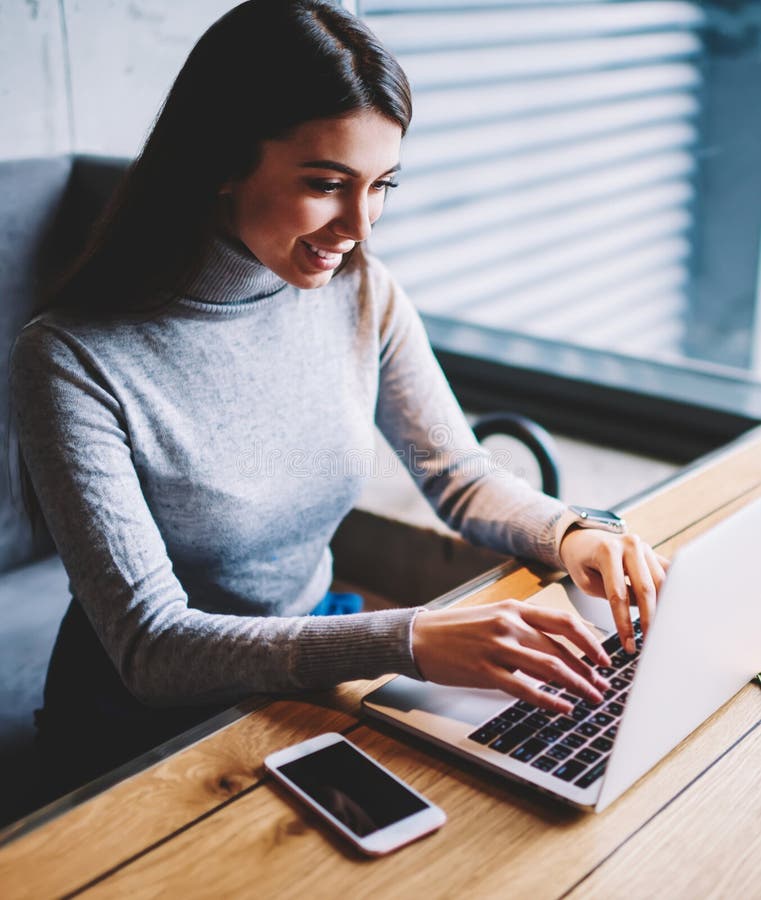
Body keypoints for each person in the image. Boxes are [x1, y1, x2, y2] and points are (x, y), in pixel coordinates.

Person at [10, 0, 668, 796]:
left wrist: (570, 532)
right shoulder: (70, 357)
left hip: (310, 663)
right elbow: (153, 647)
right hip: (146, 722)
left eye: (382, 184)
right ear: (221, 162)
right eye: (325, 184)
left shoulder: (361, 291)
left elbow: (455, 473)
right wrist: (412, 637)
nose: (360, 224)